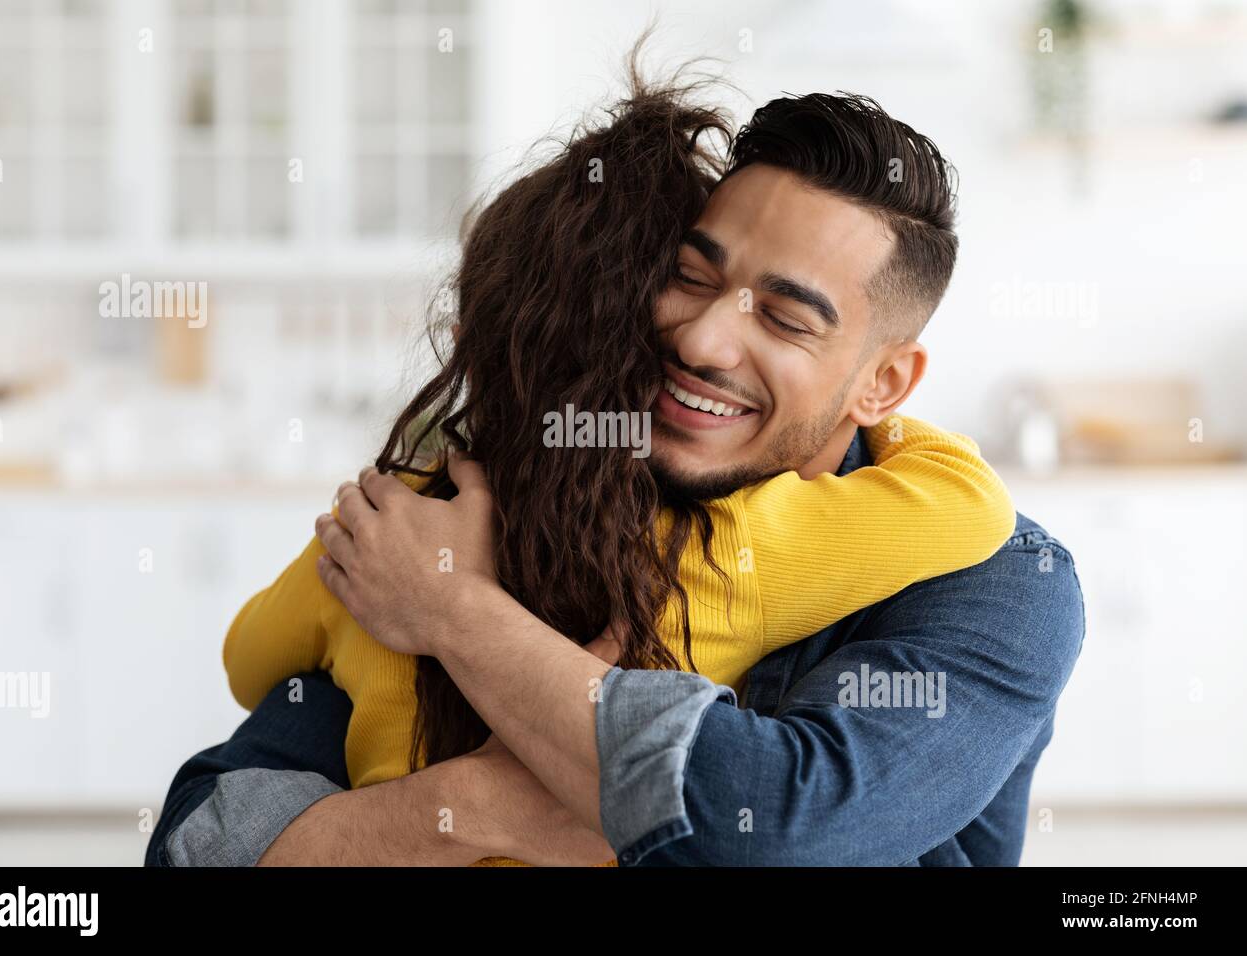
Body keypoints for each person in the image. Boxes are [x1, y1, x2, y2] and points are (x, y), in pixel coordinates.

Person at [147, 62, 1084, 869]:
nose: (707, 338)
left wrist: (460, 615)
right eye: (692, 275)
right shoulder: (528, 507)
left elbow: (774, 822)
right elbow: (200, 840)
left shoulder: (996, 584)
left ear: (883, 383)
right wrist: (480, 807)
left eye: (786, 320)